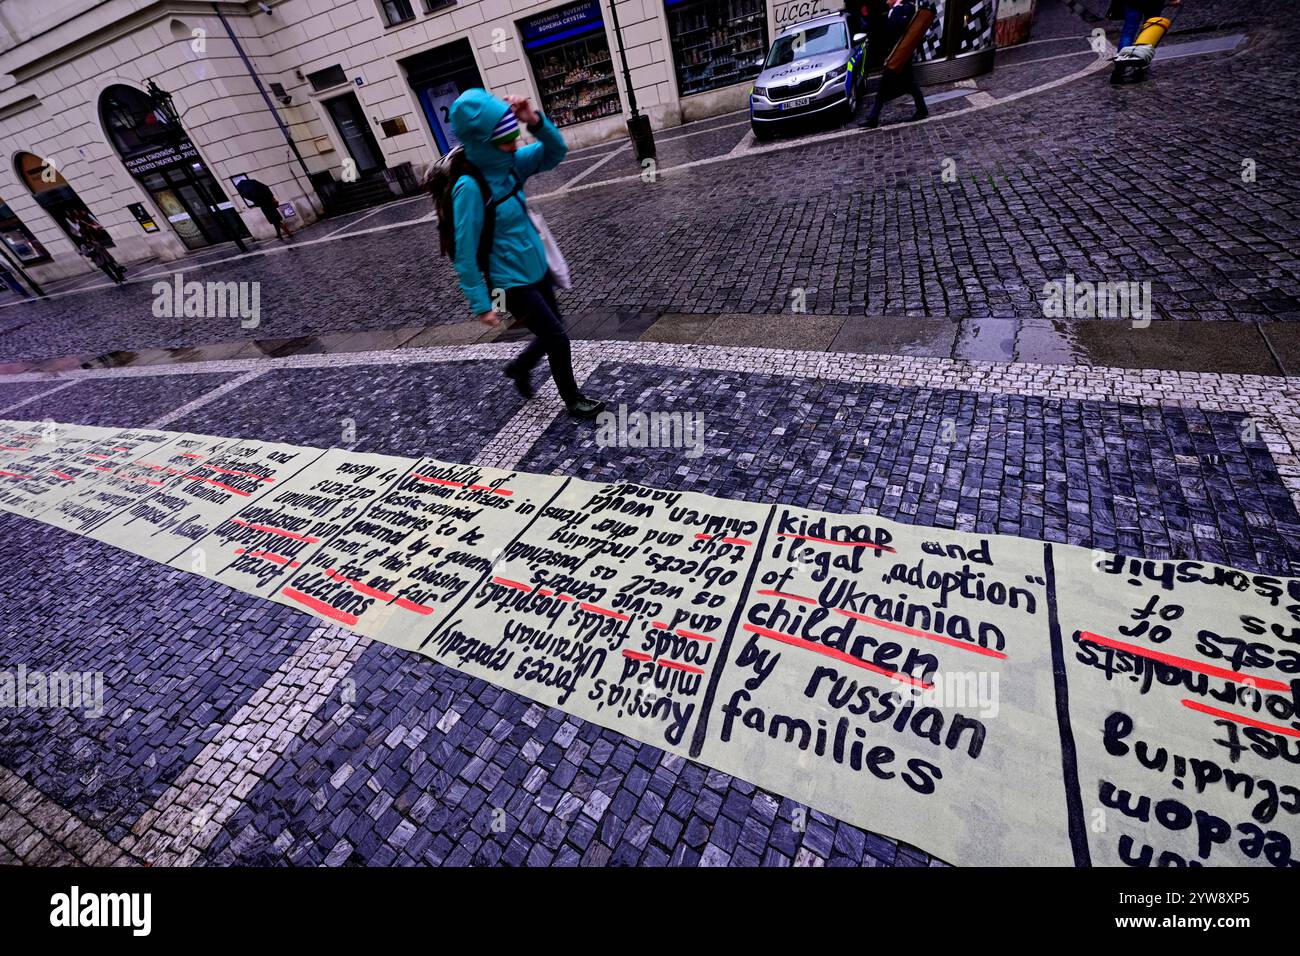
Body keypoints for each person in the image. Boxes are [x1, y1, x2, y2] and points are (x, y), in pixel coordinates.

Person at [446, 88, 605, 419]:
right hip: (509, 283)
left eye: (514, 137)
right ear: (484, 143)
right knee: (558, 338)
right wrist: (481, 303)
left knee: (554, 328)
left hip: (535, 267)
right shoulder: (470, 188)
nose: (515, 144)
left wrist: (533, 120)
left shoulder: (510, 166)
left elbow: (554, 152)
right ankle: (572, 399)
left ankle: (520, 367)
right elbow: (464, 251)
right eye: (506, 140)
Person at [859, 0, 927, 129]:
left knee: (888, 86)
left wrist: (895, 11)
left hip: (901, 54)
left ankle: (873, 118)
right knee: (908, 85)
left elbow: (902, 26)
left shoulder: (905, 8)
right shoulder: (895, 10)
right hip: (895, 54)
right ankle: (922, 110)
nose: (886, 1)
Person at [68, 209, 125, 284]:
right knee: (108, 272)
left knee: (114, 268)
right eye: (86, 237)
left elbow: (104, 250)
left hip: (106, 258)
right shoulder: (84, 245)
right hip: (99, 261)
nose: (88, 238)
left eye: (88, 237)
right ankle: (116, 281)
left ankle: (121, 278)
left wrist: (111, 258)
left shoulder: (95, 242)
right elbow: (86, 254)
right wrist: (92, 250)